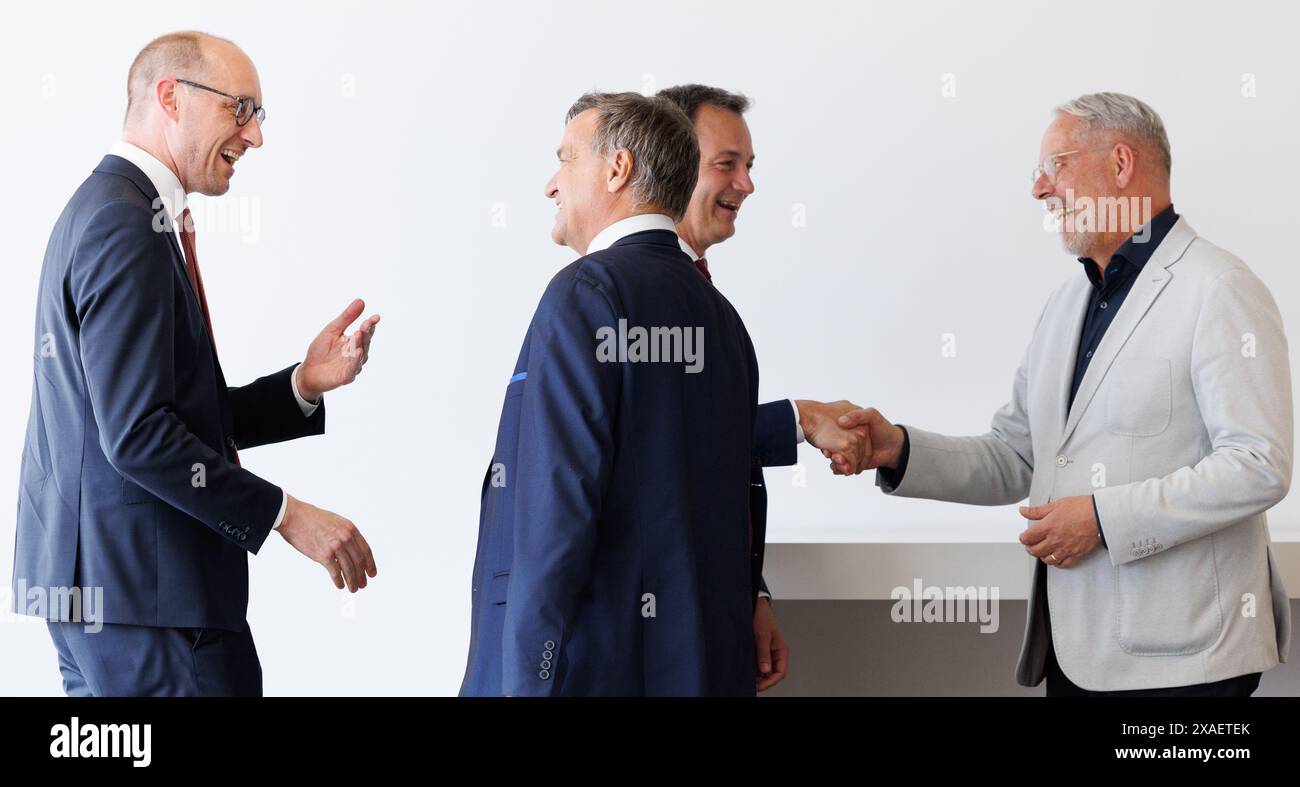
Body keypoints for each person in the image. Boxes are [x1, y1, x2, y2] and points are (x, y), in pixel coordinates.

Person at [834, 92, 1291, 696]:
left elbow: (1258, 466)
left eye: (1057, 166)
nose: (1040, 190)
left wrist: (1102, 519)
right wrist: (896, 449)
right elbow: (1019, 456)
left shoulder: (1220, 288)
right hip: (1075, 650)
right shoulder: (1065, 305)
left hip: (1186, 661)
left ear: (1121, 165)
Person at [13, 31, 379, 697]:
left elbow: (155, 415)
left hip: (112, 603)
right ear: (170, 98)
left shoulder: (109, 210)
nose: (255, 137)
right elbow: (140, 436)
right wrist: (287, 515)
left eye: (258, 115)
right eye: (240, 109)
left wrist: (301, 384)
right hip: (154, 605)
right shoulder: (125, 224)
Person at [460, 92, 802, 695]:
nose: (551, 184)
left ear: (617, 169)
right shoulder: (723, 321)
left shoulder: (583, 295)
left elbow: (553, 522)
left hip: (590, 672)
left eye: (565, 159)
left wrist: (527, 684)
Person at [658, 83, 871, 691]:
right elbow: (669, 443)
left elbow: (712, 468)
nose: (746, 185)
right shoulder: (636, 292)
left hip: (714, 618)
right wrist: (799, 419)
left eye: (748, 167)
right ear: (669, 164)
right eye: (727, 165)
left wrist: (750, 590)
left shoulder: (698, 289)